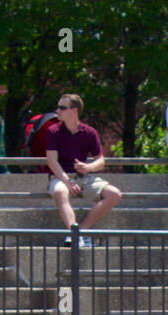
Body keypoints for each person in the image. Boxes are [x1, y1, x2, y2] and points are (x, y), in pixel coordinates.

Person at [45, 92, 121, 245]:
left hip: (83, 177)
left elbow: (101, 161)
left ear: (74, 110)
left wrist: (88, 167)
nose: (57, 111)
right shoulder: (52, 131)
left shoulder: (89, 132)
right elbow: (52, 161)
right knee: (60, 192)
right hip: (61, 176)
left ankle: (80, 233)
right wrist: (67, 181)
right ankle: (73, 232)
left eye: (62, 107)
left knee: (114, 194)